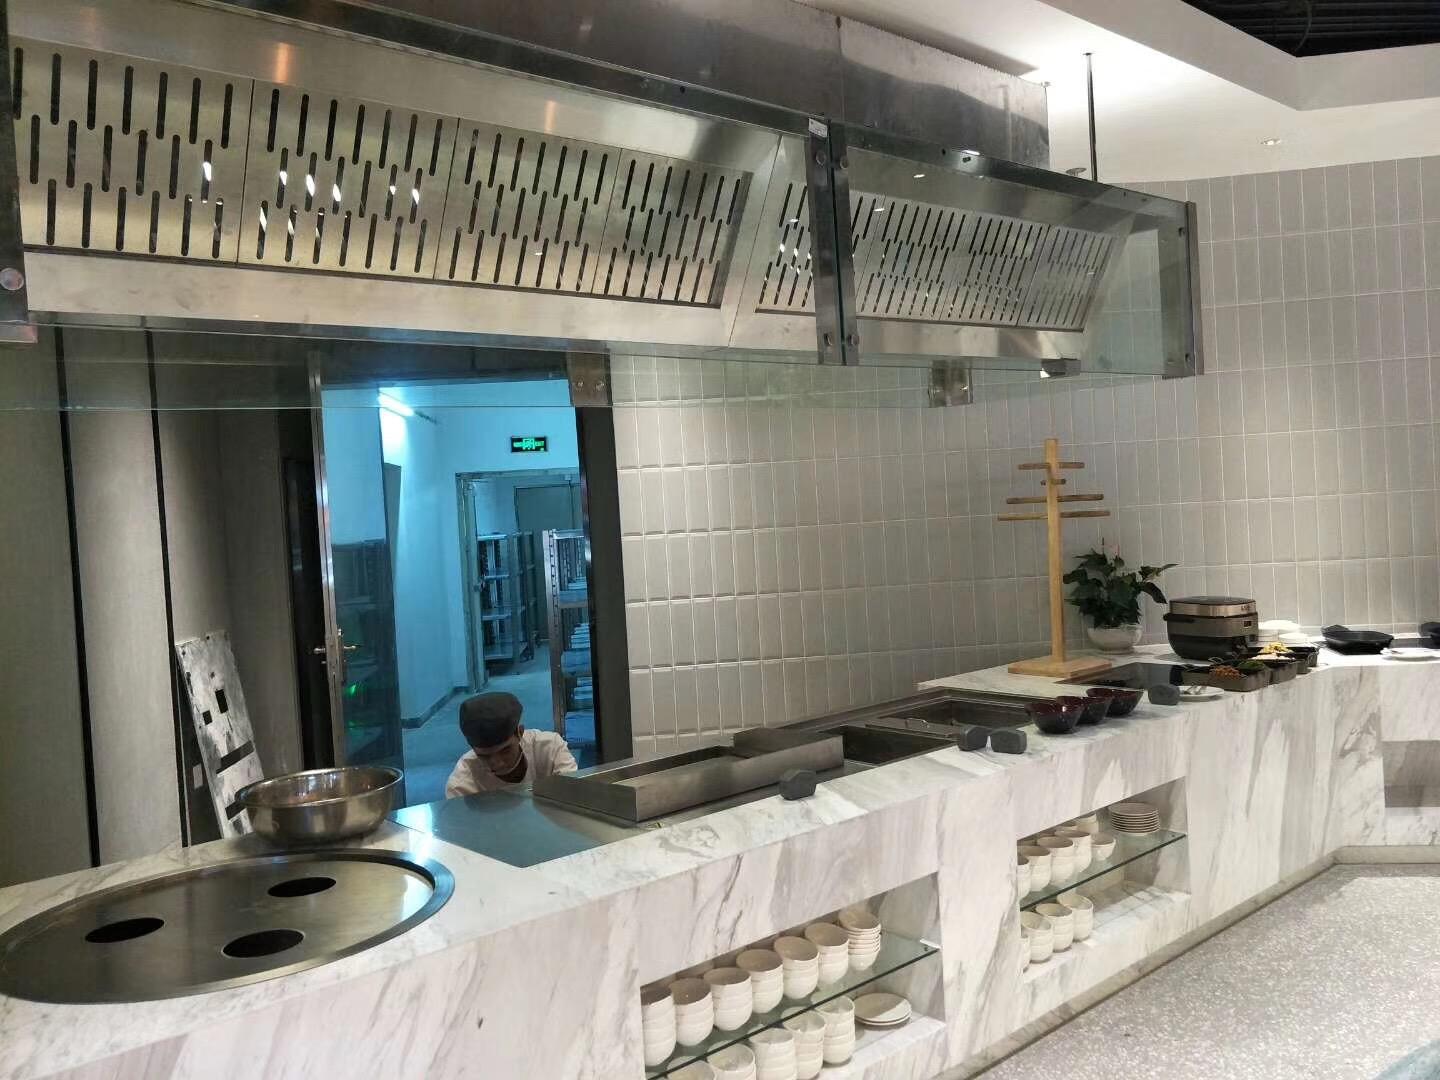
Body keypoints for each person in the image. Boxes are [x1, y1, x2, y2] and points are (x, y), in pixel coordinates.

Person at [444, 691, 578, 797]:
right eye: (485, 756)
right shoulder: (462, 784)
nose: (497, 763)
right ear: (473, 749)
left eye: (505, 751)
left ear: (520, 733)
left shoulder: (550, 749)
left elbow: (572, 796)